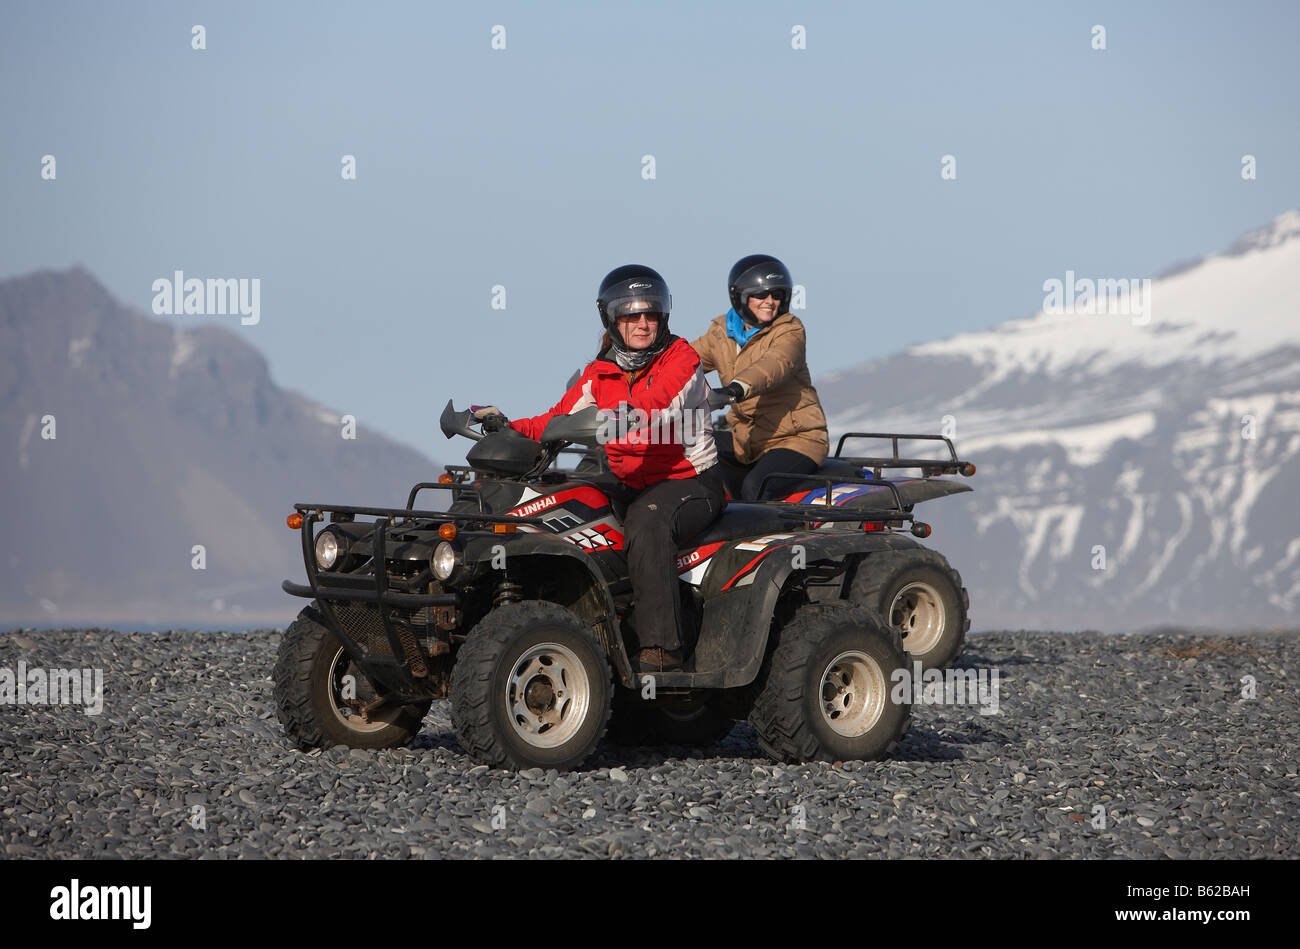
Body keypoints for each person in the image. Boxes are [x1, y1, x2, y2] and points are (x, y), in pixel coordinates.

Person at [479, 265, 724, 673]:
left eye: (651, 314)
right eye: (631, 315)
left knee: (648, 522)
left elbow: (662, 404)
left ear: (663, 316)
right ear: (612, 319)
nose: (642, 323)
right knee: (571, 503)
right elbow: (556, 418)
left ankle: (663, 651)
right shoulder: (600, 372)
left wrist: (620, 416)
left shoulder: (682, 358)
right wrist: (505, 425)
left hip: (689, 483)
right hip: (630, 482)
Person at [691, 254, 830, 501]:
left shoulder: (789, 330)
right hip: (746, 440)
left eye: (776, 295)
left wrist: (735, 389)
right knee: (686, 458)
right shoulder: (721, 333)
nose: (770, 301)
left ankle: (770, 540)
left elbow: (773, 365)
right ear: (740, 296)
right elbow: (683, 361)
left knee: (756, 488)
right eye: (761, 294)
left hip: (795, 440)